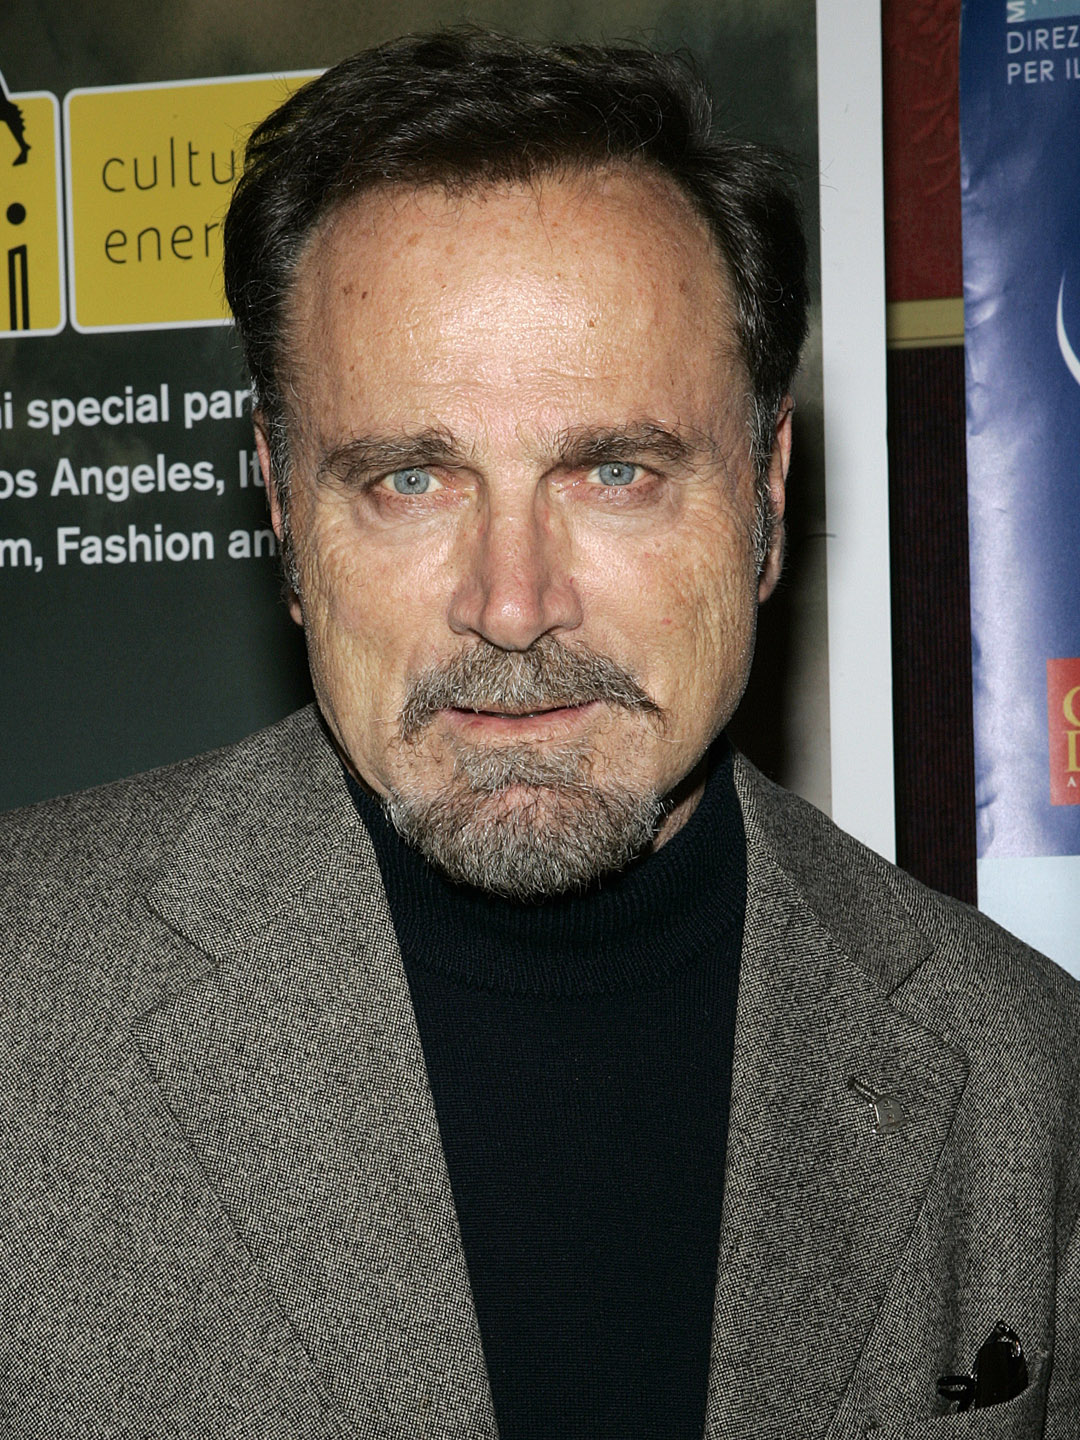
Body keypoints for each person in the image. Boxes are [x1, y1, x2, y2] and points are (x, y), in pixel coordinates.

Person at [1, 30, 1077, 1440]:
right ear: (280, 505)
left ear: (766, 490)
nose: (513, 605)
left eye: (614, 471)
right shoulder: (26, 998)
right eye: (409, 480)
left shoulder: (1023, 1080)